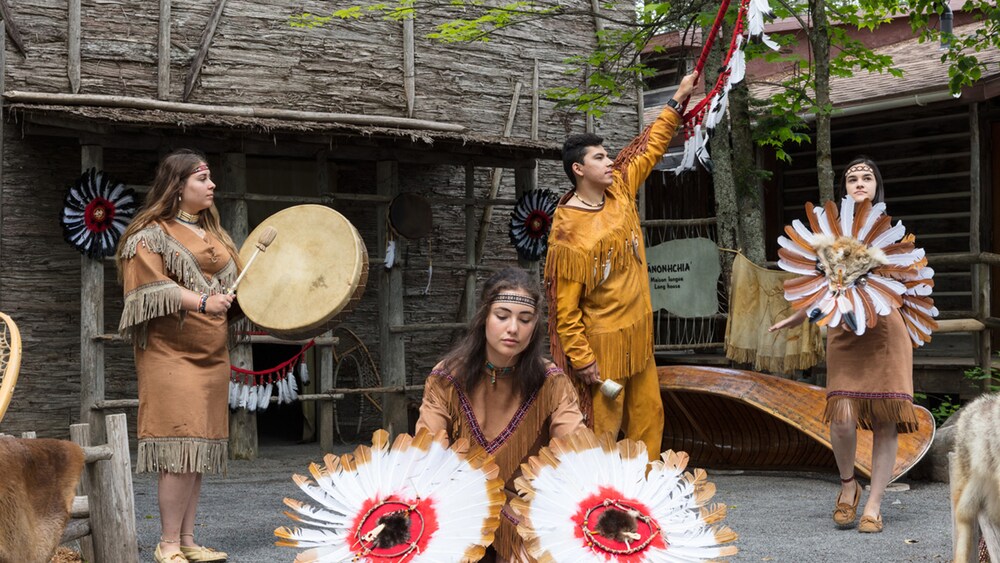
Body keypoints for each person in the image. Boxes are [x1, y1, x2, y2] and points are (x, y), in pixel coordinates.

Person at [544, 70, 699, 461]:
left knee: (650, 421)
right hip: (603, 349)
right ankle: (599, 512)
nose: (610, 161)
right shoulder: (568, 232)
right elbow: (565, 308)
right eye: (599, 157)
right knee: (601, 434)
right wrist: (581, 358)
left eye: (608, 154)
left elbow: (651, 146)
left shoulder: (620, 190)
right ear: (578, 169)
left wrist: (678, 98)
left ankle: (642, 505)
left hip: (639, 340)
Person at [769, 156, 920, 534]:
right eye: (852, 178)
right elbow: (819, 286)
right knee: (842, 417)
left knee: (886, 422)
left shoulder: (896, 237)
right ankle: (848, 485)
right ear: (844, 189)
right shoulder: (830, 238)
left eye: (867, 177)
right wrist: (798, 314)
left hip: (886, 333)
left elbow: (913, 285)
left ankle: (874, 503)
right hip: (845, 332)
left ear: (877, 186)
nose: (859, 183)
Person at [116, 149, 241, 563]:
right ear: (178, 185)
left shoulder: (217, 236)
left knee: (197, 448)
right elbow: (149, 289)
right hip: (170, 355)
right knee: (177, 448)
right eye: (202, 179)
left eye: (210, 178)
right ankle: (167, 544)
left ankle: (187, 541)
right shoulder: (149, 234)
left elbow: (239, 284)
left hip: (212, 354)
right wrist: (205, 303)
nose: (211, 185)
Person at [416, 267, 585, 563]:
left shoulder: (552, 382)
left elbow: (577, 449)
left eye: (525, 319)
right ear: (484, 317)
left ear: (535, 327)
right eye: (502, 315)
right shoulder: (447, 377)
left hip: (527, 514)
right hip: (460, 511)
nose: (513, 329)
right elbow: (428, 447)